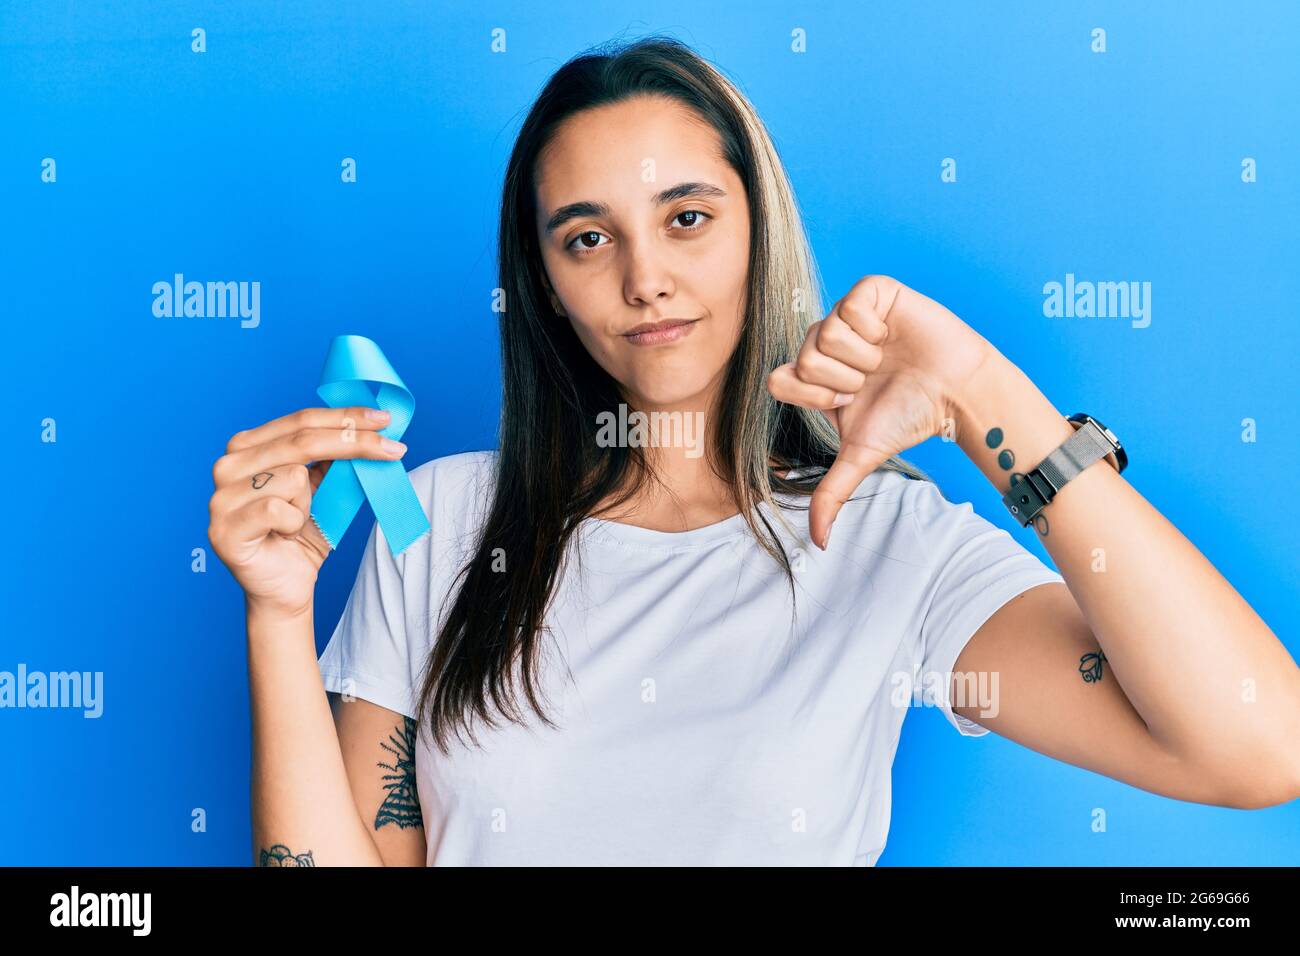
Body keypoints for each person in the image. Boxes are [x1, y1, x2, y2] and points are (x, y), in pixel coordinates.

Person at [207, 36, 1300, 867]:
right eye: (587, 237)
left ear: (757, 229)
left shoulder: (889, 543)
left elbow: (1256, 747)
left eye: (686, 217)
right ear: (542, 278)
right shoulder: (439, 523)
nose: (645, 278)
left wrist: (985, 395)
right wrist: (277, 613)